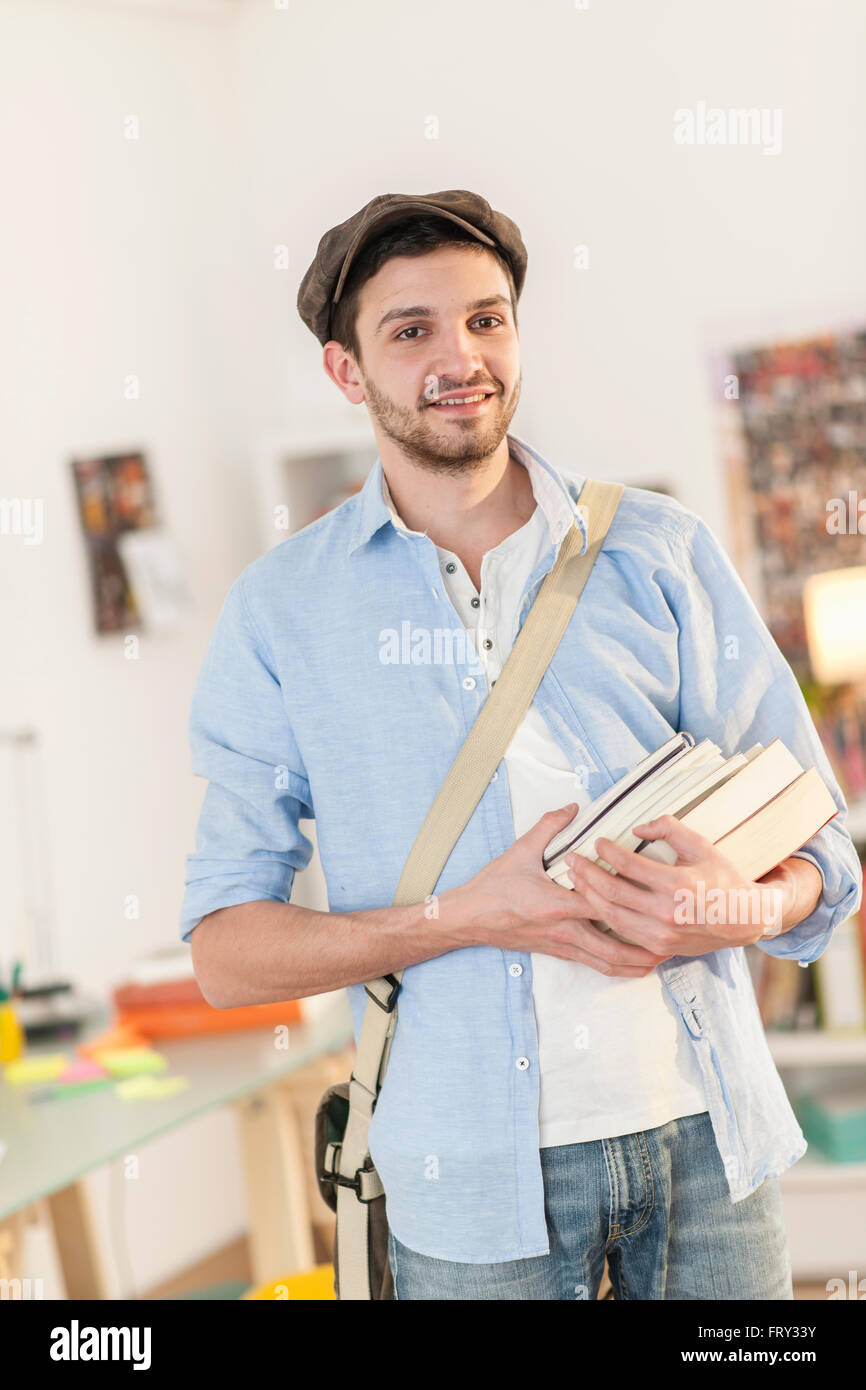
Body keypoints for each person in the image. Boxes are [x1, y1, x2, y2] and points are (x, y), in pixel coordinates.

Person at [180, 190, 862, 1300]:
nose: (461, 356)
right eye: (411, 330)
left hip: (708, 1146)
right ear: (345, 371)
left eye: (486, 319)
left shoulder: (660, 550)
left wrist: (732, 908)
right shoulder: (281, 612)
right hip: (466, 1178)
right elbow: (223, 950)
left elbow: (820, 848)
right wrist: (461, 919)